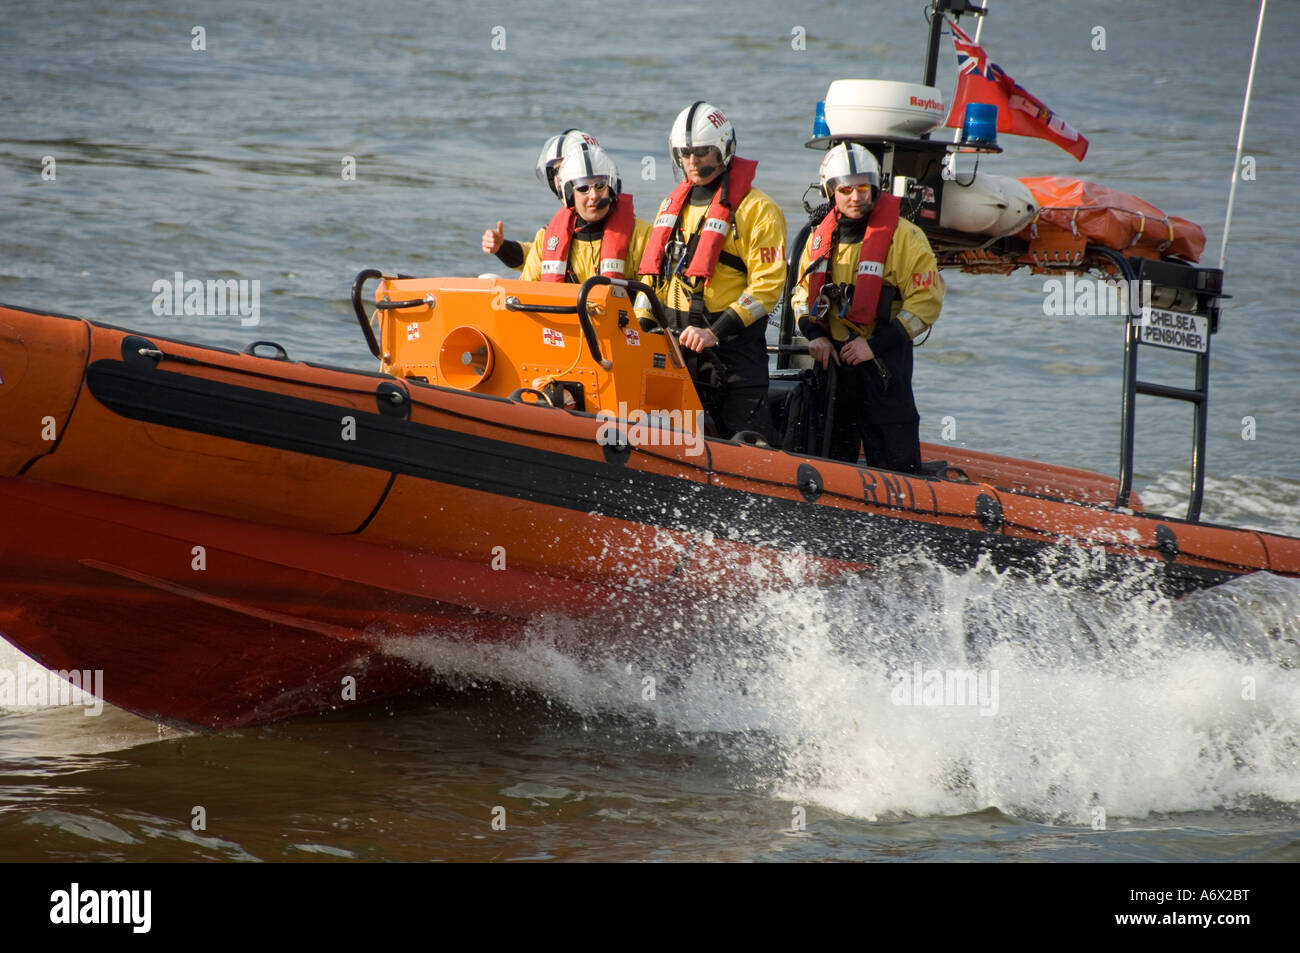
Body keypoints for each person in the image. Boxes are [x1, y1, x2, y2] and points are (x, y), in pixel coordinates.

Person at [790, 142, 943, 473]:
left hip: (883, 365)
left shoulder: (905, 237)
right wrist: (813, 334)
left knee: (895, 461)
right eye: (846, 189)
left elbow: (926, 302)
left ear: (875, 187)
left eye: (863, 188)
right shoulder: (819, 239)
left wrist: (873, 347)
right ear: (830, 191)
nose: (856, 197)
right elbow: (802, 295)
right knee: (829, 459)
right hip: (833, 366)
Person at [638, 101, 786, 441]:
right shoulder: (671, 206)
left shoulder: (758, 210)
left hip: (732, 353)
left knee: (749, 445)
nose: (692, 161)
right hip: (674, 349)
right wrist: (642, 330)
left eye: (702, 152)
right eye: (685, 152)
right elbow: (652, 278)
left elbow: (767, 287)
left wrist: (715, 331)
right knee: (662, 436)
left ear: (724, 149)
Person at [518, 143, 650, 283]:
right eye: (583, 188)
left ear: (612, 189)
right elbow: (526, 291)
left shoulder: (641, 236)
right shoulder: (544, 240)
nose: (593, 195)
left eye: (600, 186)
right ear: (569, 195)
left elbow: (656, 290)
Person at [482, 129, 601, 270]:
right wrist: (503, 248)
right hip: (564, 291)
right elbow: (539, 257)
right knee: (488, 279)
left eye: (566, 169)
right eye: (555, 172)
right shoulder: (555, 230)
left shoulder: (631, 232)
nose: (560, 179)